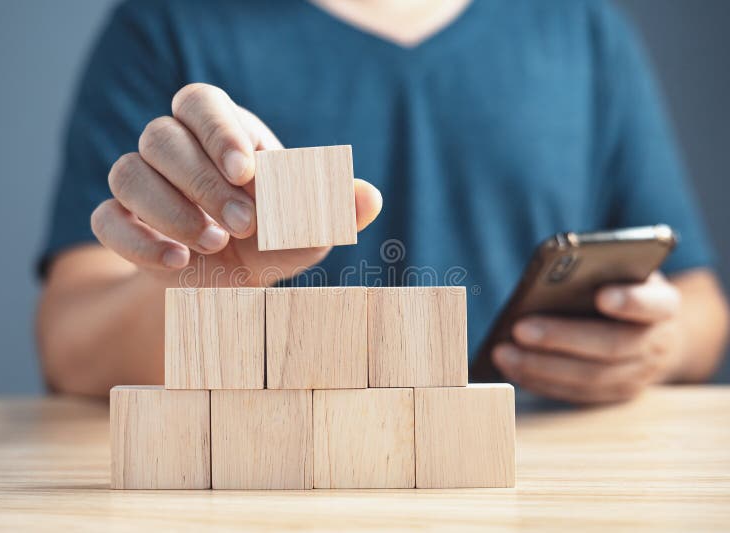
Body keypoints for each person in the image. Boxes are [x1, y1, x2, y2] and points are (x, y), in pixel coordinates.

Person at [37, 0, 729, 401]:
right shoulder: (166, 25)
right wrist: (213, 282)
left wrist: (657, 344)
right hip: (275, 494)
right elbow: (70, 348)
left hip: (539, 483)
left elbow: (700, 304)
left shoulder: (581, 26)